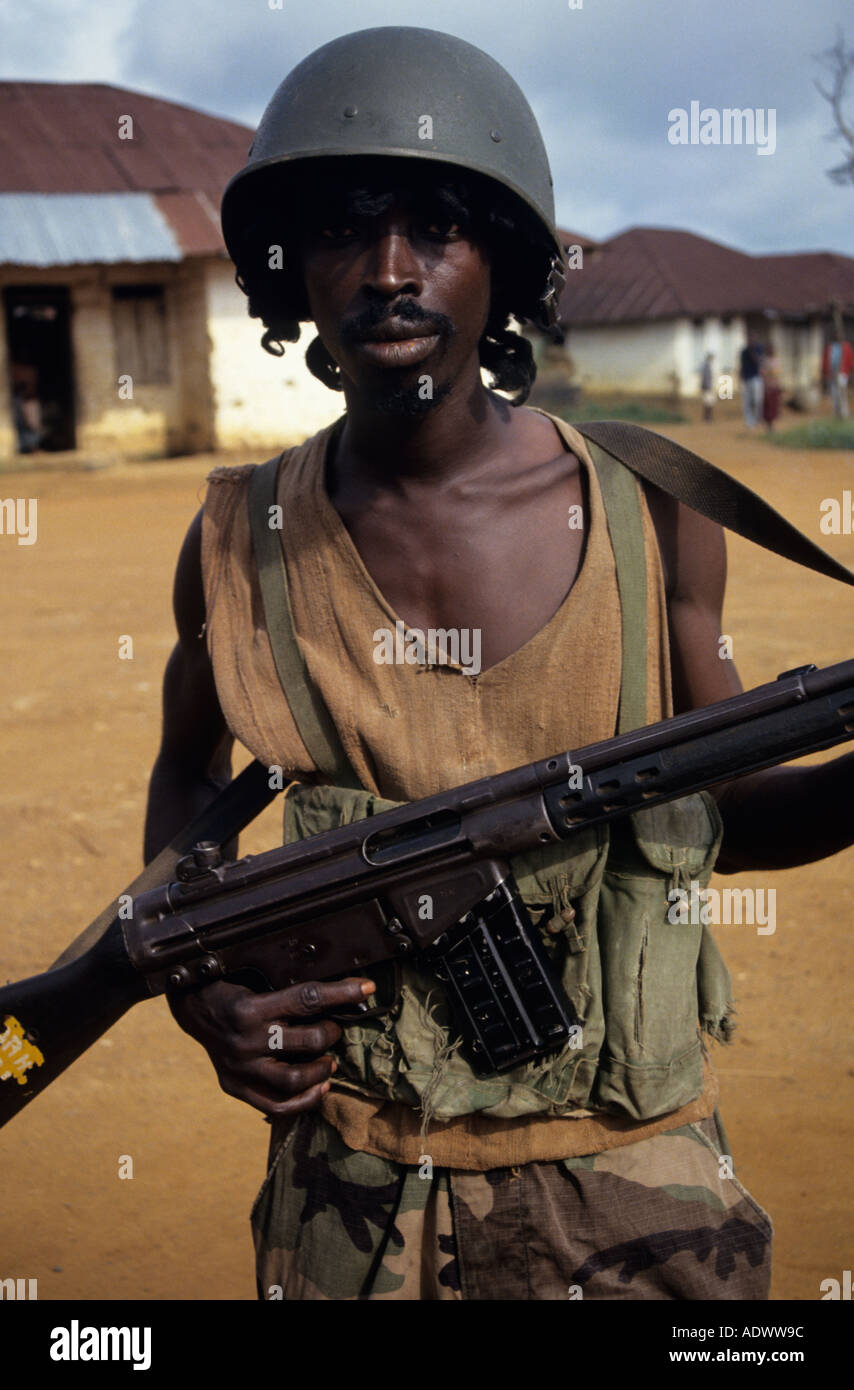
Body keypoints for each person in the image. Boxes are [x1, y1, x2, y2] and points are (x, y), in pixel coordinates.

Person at [144, 27, 854, 1301]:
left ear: (505, 263)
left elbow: (730, 815)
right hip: (353, 1202)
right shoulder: (236, 545)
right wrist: (200, 993)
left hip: (633, 1200)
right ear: (291, 269)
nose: (390, 271)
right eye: (348, 230)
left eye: (440, 230)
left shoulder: (652, 511)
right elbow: (182, 805)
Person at [822, 331, 852, 419]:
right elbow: (825, 361)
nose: (836, 337)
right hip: (832, 373)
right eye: (835, 335)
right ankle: (835, 413)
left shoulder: (846, 347)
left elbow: (850, 361)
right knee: (834, 393)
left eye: (838, 335)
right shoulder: (830, 347)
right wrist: (825, 373)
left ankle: (844, 412)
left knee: (842, 392)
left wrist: (848, 372)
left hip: (842, 373)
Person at [739, 341, 764, 428]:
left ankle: (757, 419)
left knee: (756, 400)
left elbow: (759, 363)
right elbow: (741, 365)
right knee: (747, 401)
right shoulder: (744, 351)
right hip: (746, 379)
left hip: (756, 378)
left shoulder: (759, 349)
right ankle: (749, 422)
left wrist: (752, 352)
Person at [760, 344, 782, 432]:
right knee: (768, 407)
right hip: (767, 386)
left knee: (774, 407)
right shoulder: (765, 361)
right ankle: (768, 425)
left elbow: (778, 373)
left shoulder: (776, 360)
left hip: (774, 386)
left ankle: (772, 425)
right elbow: (763, 373)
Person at [699, 350, 715, 422]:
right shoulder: (706, 366)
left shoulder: (707, 365)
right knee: (708, 403)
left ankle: (708, 417)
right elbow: (704, 378)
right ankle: (707, 417)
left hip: (708, 387)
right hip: (707, 387)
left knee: (709, 403)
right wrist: (705, 387)